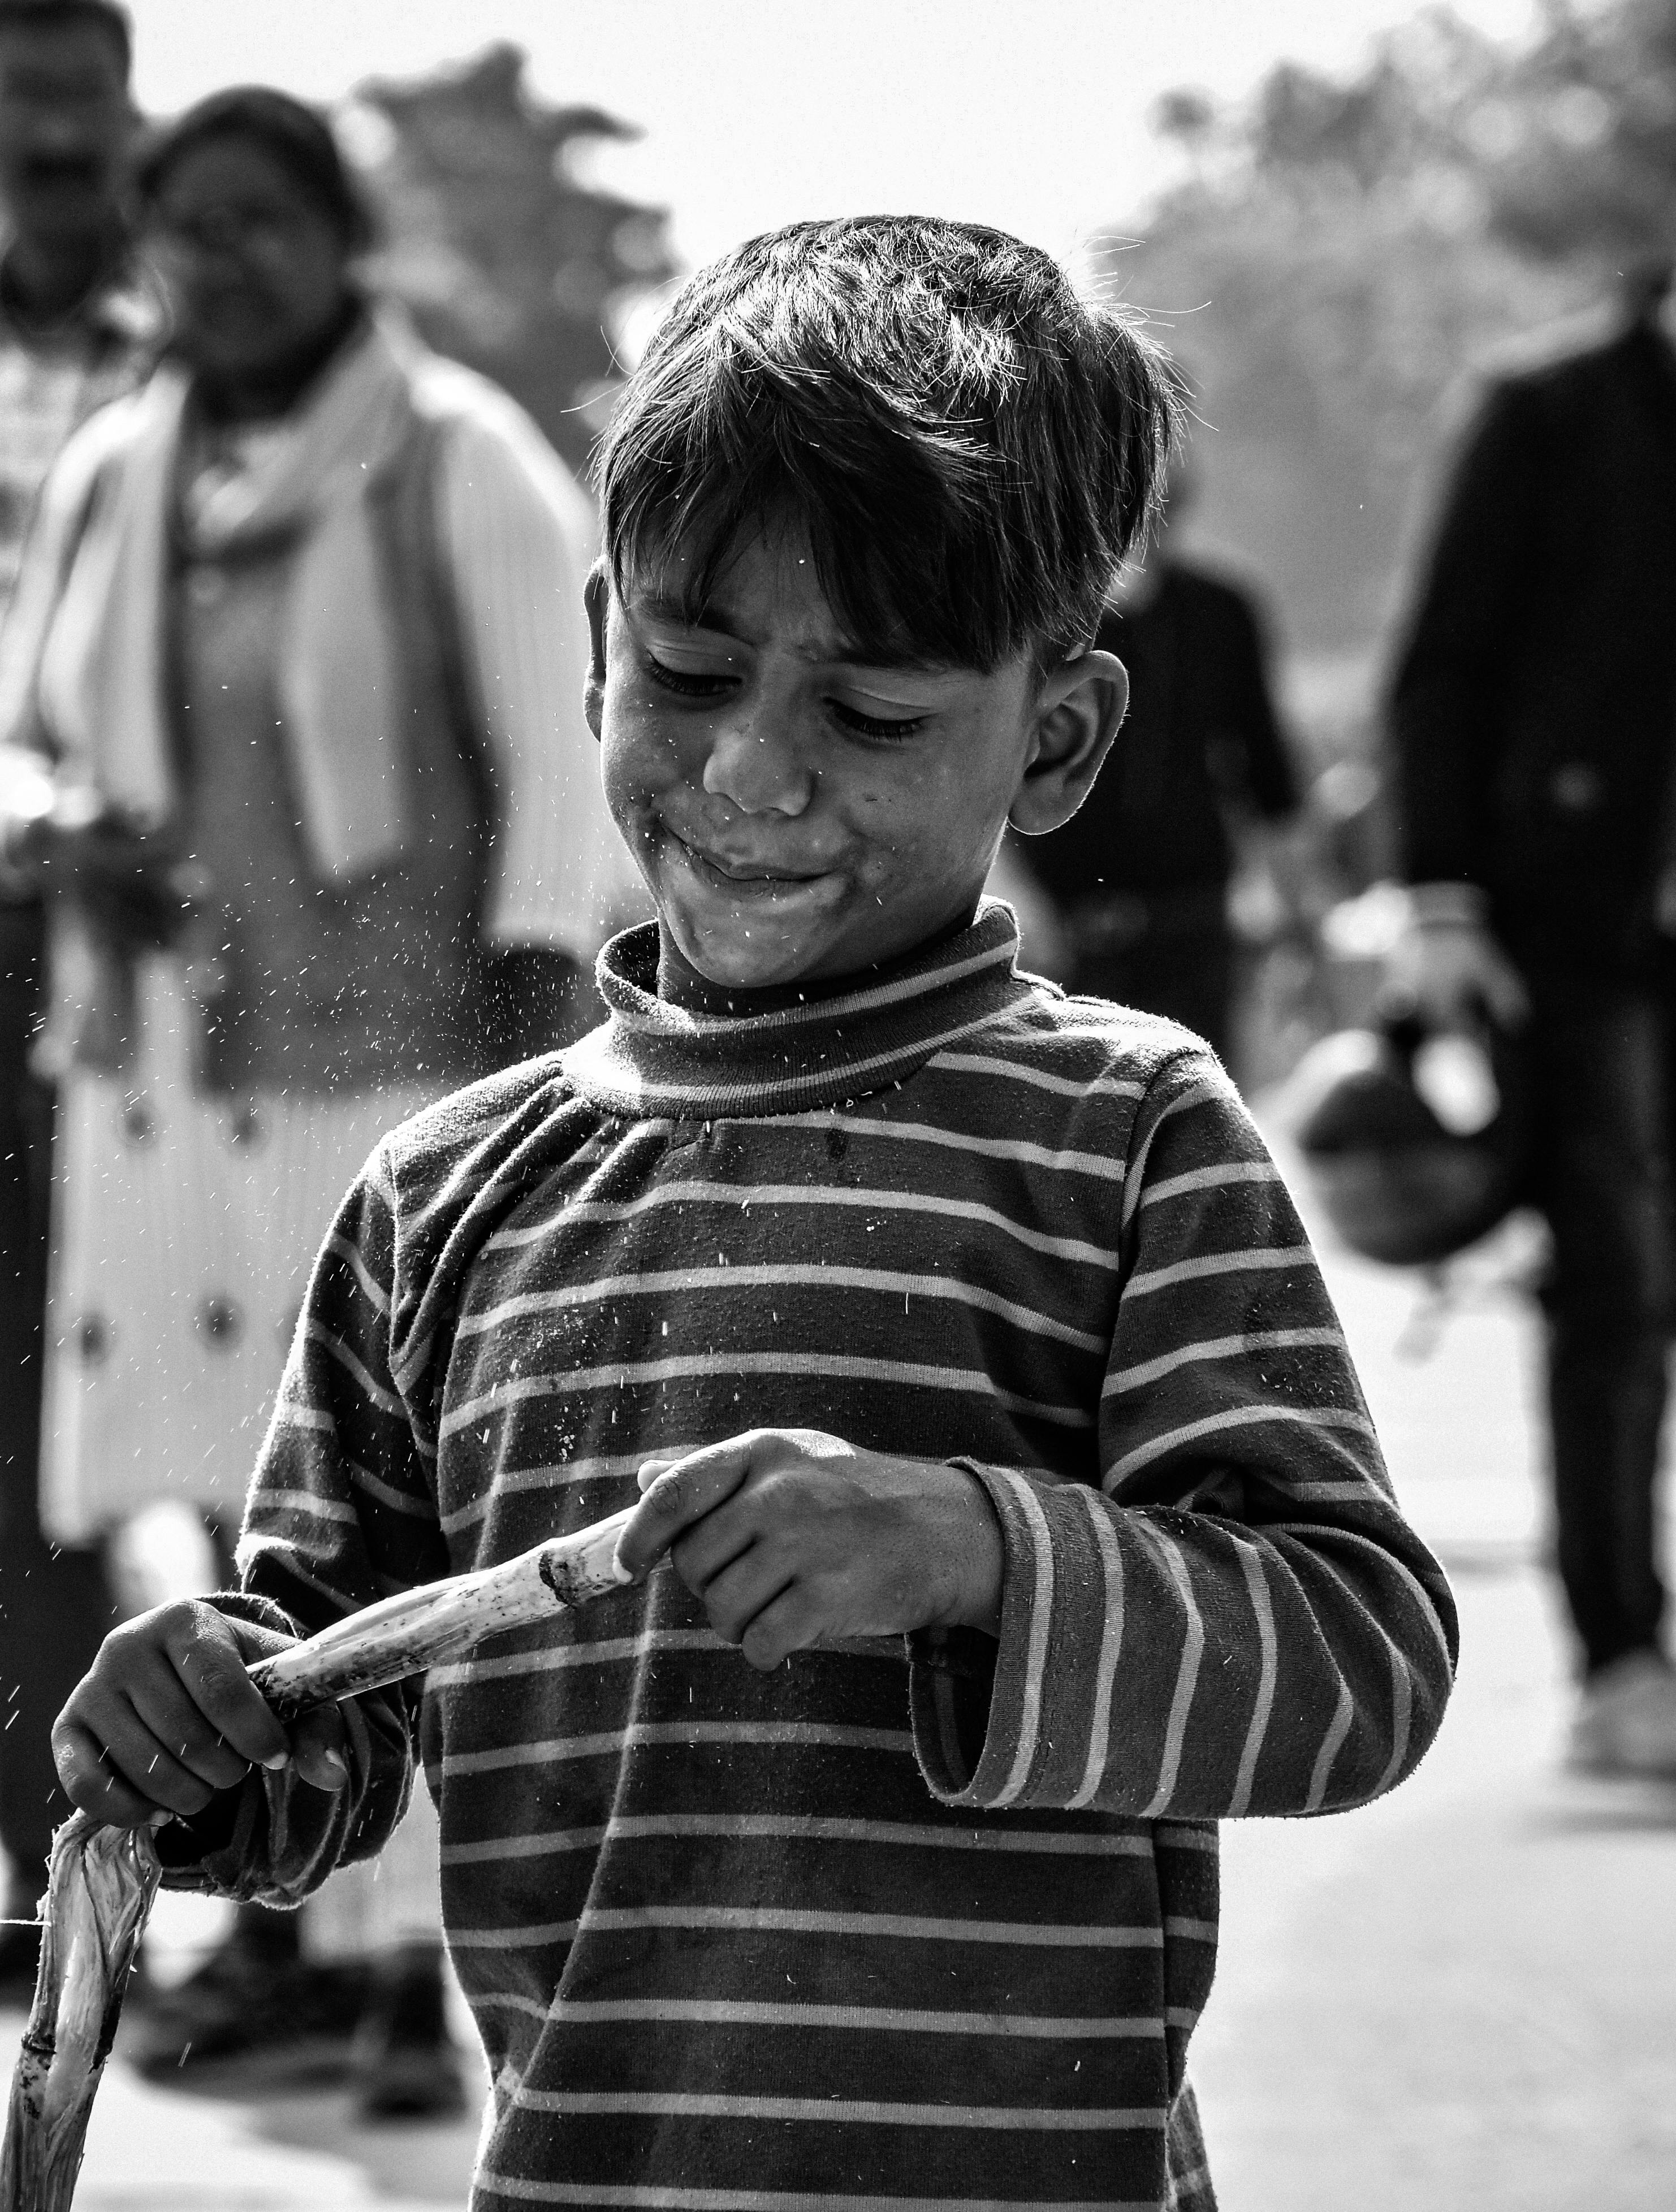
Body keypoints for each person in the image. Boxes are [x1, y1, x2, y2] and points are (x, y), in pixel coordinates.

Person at [54, 217, 1455, 2210]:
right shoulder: (446, 1199)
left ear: (1053, 740)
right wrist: (203, 1720)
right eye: (692, 675)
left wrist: (971, 1549)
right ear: (604, 643)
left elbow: (1354, 1657)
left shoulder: (1126, 1137)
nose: (750, 775)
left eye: (873, 716)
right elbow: (317, 1722)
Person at [0, 87, 635, 2104]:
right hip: (157, 1076)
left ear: (341, 237)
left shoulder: (462, 462)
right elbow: (23, 727)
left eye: (261, 219)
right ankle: (279, 1934)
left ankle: (389, 1983)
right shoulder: (119, 469)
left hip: (397, 1080)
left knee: (382, 1527)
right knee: (196, 1517)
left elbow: (557, 754)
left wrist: (541, 1076)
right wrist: (51, 826)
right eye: (182, 224)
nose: (217, 259)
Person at [1386, 258, 1676, 1777]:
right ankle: (1622, 1662)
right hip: (1575, 931)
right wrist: (1437, 900)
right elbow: (1440, 663)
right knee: (1617, 1287)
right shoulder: (1544, 408)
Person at [0, 0, 153, 2002]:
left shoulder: (194, 372)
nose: (47, 146)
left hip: (129, 965)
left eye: (73, 115)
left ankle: (65, 1855)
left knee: (81, 1419)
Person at [1004, 440, 1297, 1064]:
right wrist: (1018, 904)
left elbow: (1269, 781)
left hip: (1193, 931)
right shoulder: (1037, 614)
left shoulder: (1223, 610)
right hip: (1059, 938)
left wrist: (1301, 930)